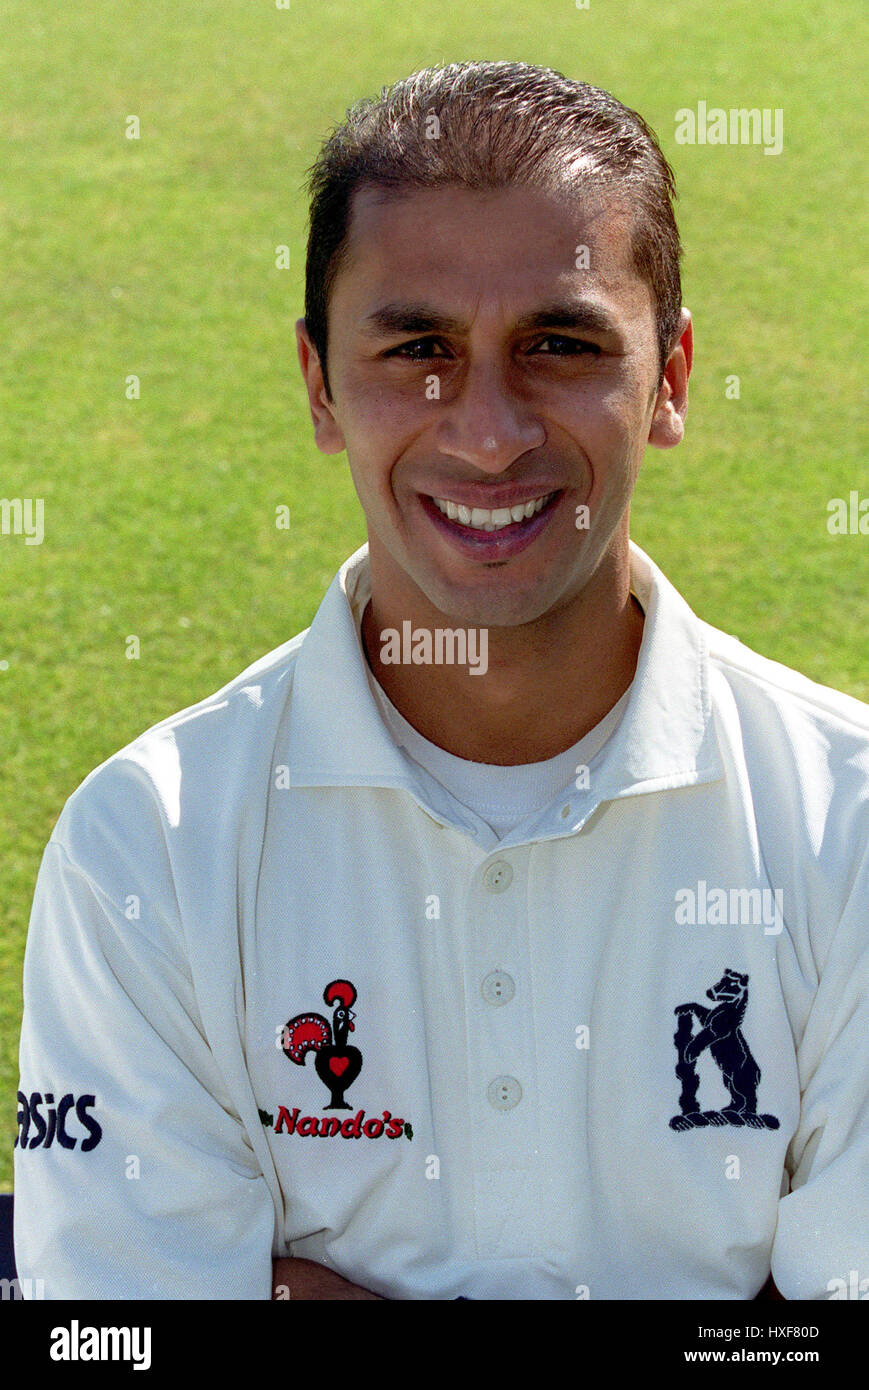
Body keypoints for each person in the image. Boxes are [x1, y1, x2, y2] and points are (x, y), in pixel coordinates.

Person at [14, 61, 868, 1301]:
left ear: (670, 378)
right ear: (317, 383)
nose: (486, 430)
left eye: (559, 344)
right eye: (417, 346)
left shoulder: (845, 826)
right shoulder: (142, 848)